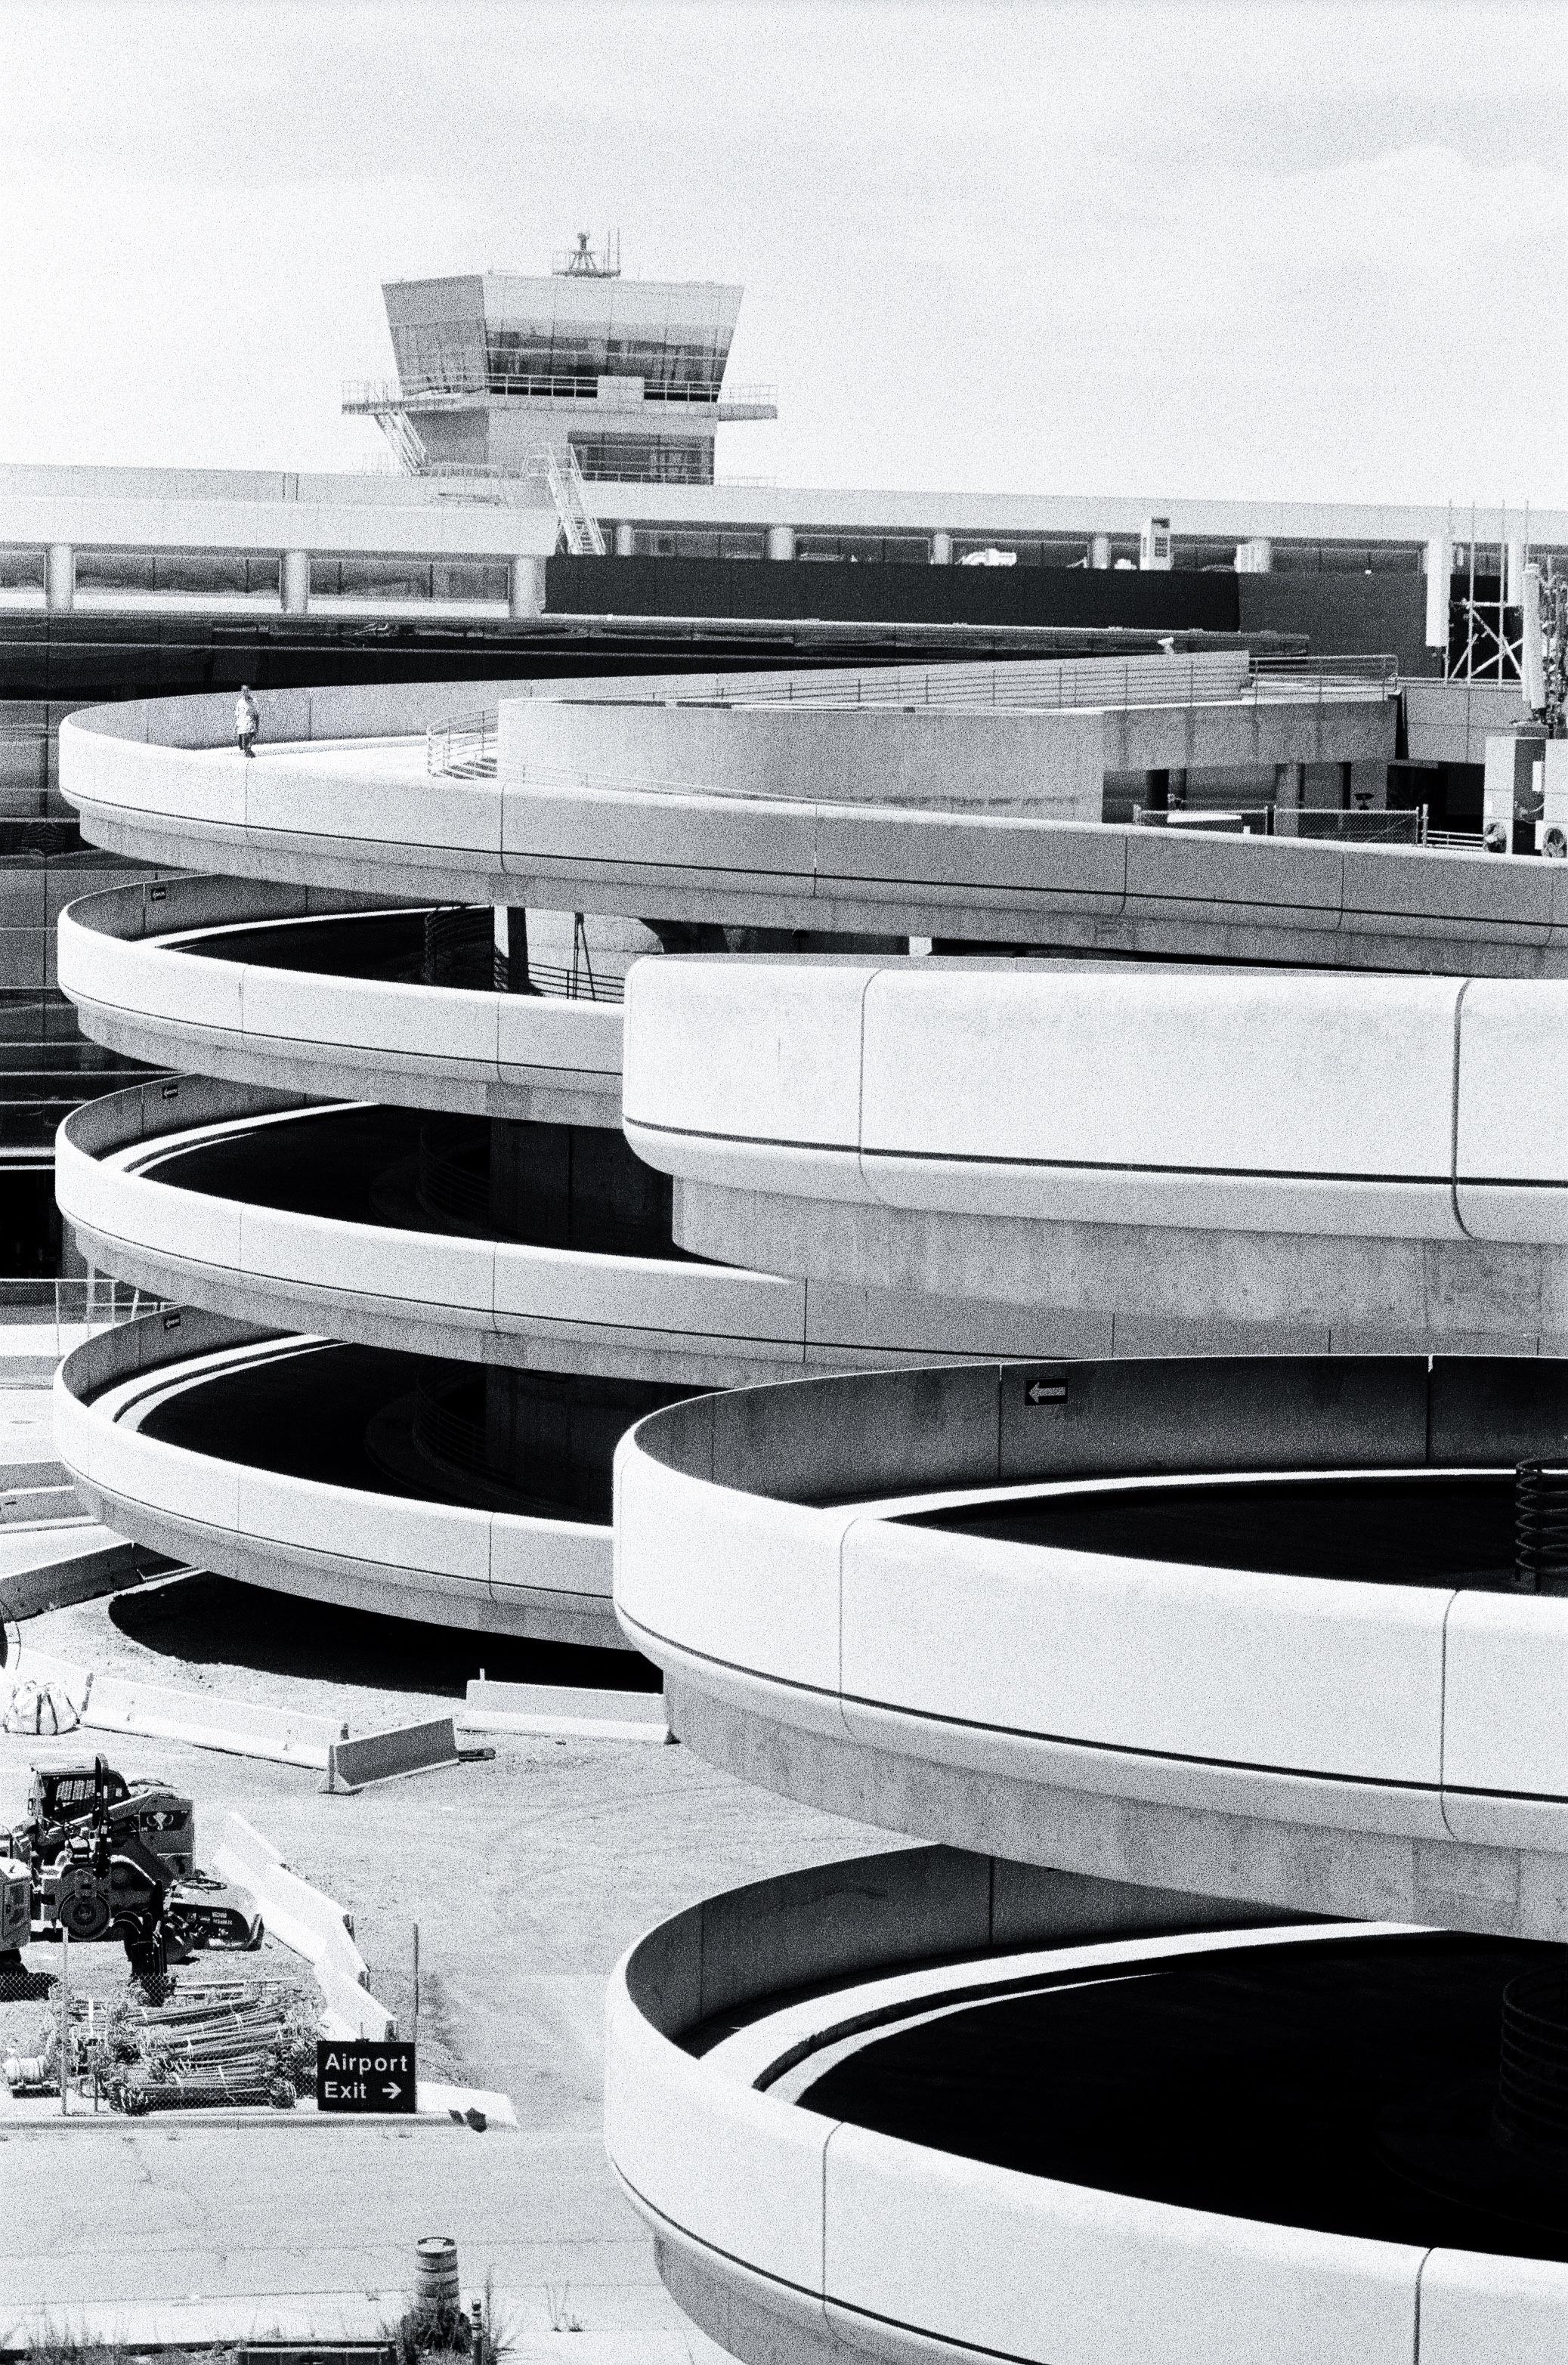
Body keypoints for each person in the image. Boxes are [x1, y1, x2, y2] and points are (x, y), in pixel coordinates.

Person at [235, 685, 259, 759]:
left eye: (246, 691)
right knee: (243, 743)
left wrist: (257, 724)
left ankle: (248, 751)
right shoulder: (240, 702)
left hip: (250, 723)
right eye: (243, 691)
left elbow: (256, 714)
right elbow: (237, 715)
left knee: (249, 737)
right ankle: (247, 751)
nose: (245, 692)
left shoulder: (253, 701)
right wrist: (237, 727)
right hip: (242, 725)